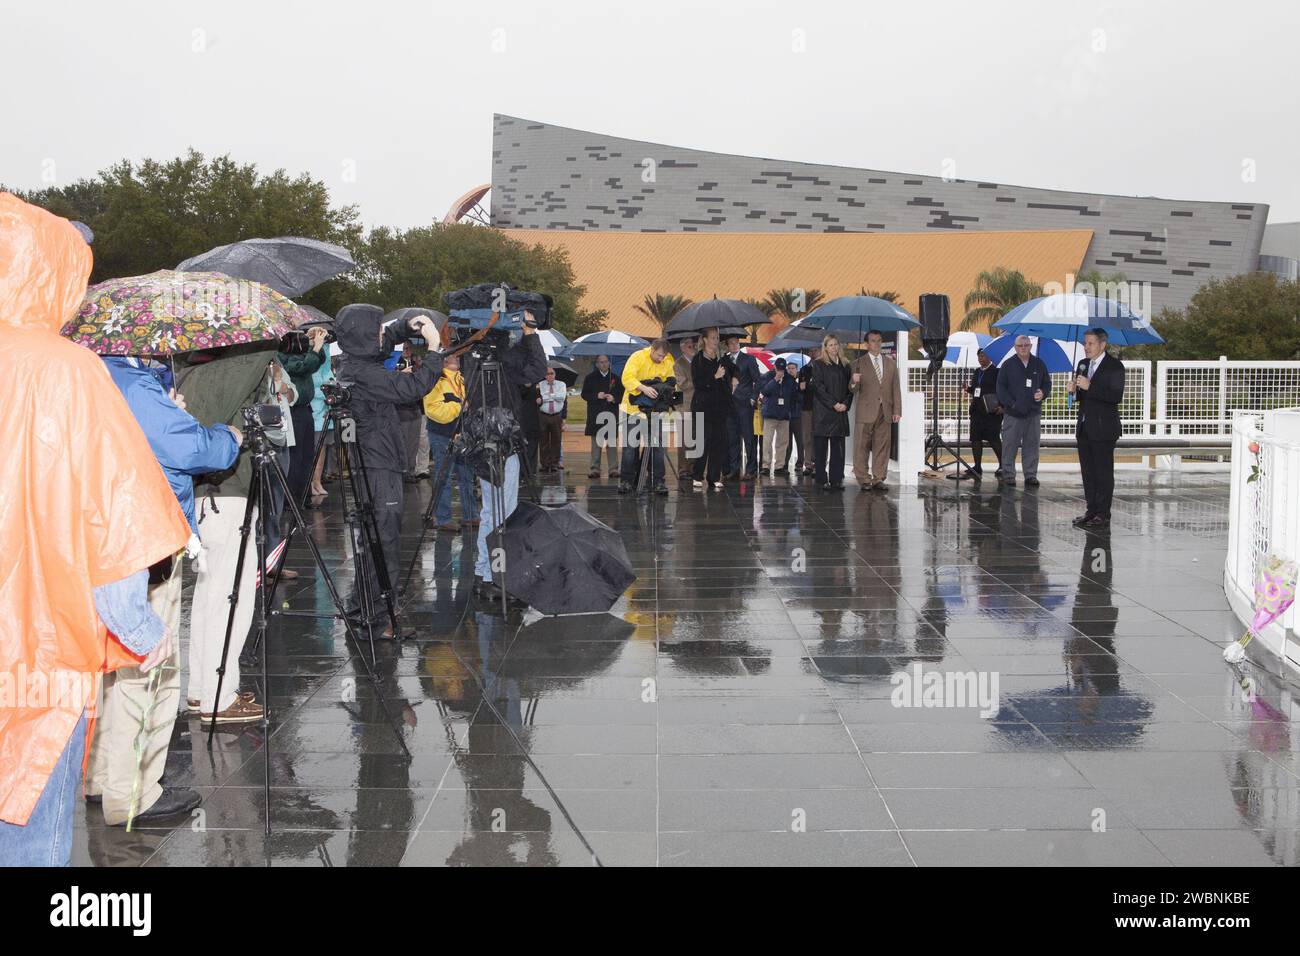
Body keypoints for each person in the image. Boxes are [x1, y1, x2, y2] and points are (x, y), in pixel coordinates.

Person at [0, 193, 191, 865]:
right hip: (34, 648)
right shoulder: (68, 372)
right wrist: (143, 631)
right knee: (26, 830)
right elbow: (113, 524)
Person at [89, 357, 241, 826]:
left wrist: (167, 407)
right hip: (144, 536)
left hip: (105, 534)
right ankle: (132, 792)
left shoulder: (97, 372)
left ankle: (103, 777)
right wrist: (227, 437)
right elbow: (194, 450)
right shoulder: (132, 382)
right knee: (150, 665)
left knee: (113, 668)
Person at [334, 304, 443, 637]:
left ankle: (361, 606)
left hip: (372, 459)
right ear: (364, 336)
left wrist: (404, 327)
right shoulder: (367, 374)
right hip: (379, 464)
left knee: (372, 540)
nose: (383, 335)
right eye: (378, 330)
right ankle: (381, 618)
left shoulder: (354, 362)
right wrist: (435, 349)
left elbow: (379, 346)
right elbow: (410, 389)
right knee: (384, 539)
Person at [461, 316, 547, 605]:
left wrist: (524, 339)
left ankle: (486, 571)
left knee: (492, 511)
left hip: (487, 440)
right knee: (500, 512)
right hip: (501, 443)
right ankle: (491, 575)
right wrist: (531, 334)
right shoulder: (504, 359)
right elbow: (536, 369)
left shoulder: (473, 357)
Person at [1069, 328, 1126, 528]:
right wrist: (1074, 392)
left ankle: (1103, 513)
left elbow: (1115, 397)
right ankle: (1091, 510)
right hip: (1084, 427)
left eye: (1091, 343)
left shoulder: (1115, 366)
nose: (1086, 347)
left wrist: (1089, 386)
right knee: (1088, 472)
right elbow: (1082, 398)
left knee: (1102, 472)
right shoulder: (1083, 365)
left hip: (1104, 428)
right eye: (1085, 343)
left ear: (1102, 345)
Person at [423, 351, 479, 534]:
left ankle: (470, 515)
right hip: (442, 434)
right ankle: (443, 518)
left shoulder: (462, 380)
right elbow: (433, 409)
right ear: (445, 359)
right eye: (454, 355)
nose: (457, 358)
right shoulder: (436, 380)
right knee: (443, 477)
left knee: (467, 475)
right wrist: (459, 406)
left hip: (462, 434)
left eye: (458, 356)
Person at [619, 338, 677, 495]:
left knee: (657, 447)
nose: (661, 359)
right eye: (658, 355)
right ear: (652, 349)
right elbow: (626, 378)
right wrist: (643, 388)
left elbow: (672, 384)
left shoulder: (667, 361)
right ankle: (626, 481)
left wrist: (666, 395)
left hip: (655, 412)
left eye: (663, 356)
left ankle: (658, 481)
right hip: (633, 410)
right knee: (631, 447)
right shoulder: (637, 357)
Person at [276, 327, 328, 503]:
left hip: (306, 409)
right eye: (299, 339)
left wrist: (315, 343)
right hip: (292, 411)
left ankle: (303, 495)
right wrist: (314, 348)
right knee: (295, 456)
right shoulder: (283, 358)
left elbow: (318, 361)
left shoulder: (300, 354)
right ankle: (291, 498)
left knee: (307, 455)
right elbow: (303, 367)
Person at [849, 329, 902, 490]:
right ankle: (864, 478)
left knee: (882, 446)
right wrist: (853, 381)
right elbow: (852, 390)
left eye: (879, 340)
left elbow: (895, 388)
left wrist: (897, 410)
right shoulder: (857, 363)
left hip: (885, 411)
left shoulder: (891, 364)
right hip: (865, 412)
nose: (877, 344)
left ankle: (879, 478)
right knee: (861, 447)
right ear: (867, 344)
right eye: (873, 341)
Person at [995, 335, 1051, 487]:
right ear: (1015, 347)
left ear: (1031, 346)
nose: (1023, 348)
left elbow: (1047, 383)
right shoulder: (1008, 365)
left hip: (1033, 413)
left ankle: (1031, 475)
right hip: (1013, 414)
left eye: (1026, 345)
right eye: (1020, 345)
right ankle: (1008, 475)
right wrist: (1011, 404)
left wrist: (1043, 393)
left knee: (1032, 445)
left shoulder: (1039, 364)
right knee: (1009, 445)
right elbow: (1001, 388)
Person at [808, 334, 853, 490]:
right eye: (831, 345)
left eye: (836, 344)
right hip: (824, 412)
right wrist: (833, 404)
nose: (834, 347)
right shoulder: (819, 364)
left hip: (840, 412)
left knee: (838, 450)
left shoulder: (846, 365)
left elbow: (850, 389)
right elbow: (819, 388)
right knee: (821, 450)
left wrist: (845, 404)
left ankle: (836, 479)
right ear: (825, 347)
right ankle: (821, 479)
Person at [691, 327, 732, 491]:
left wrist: (733, 378)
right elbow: (698, 383)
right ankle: (697, 475)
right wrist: (714, 376)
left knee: (718, 442)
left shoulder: (721, 359)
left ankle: (714, 476)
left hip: (719, 407)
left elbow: (735, 370)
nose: (716, 341)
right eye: (713, 338)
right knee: (703, 441)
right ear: (705, 340)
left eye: (717, 338)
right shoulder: (698, 360)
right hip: (703, 406)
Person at [724, 334, 763, 479]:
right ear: (727, 346)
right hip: (729, 405)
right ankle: (734, 469)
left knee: (748, 438)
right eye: (731, 343)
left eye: (736, 342)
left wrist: (753, 398)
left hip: (745, 404)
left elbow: (758, 381)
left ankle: (751, 470)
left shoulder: (748, 359)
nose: (734, 345)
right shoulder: (725, 361)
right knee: (732, 438)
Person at [581, 354, 623, 479]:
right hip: (595, 414)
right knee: (596, 443)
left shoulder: (615, 378)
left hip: (611, 413)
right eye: (600, 362)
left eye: (605, 362)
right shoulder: (590, 378)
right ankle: (595, 468)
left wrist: (614, 398)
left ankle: (613, 469)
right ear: (597, 364)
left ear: (609, 363)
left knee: (611, 443)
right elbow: (584, 395)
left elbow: (622, 395)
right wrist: (596, 396)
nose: (603, 364)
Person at [964, 348, 1003, 479]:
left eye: (984, 356)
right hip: (977, 411)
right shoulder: (977, 372)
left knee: (994, 439)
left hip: (991, 412)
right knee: (975, 439)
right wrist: (968, 389)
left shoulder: (996, 372)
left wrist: (1002, 406)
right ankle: (977, 466)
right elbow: (976, 390)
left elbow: (1003, 390)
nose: (981, 358)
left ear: (990, 358)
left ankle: (1003, 465)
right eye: (979, 356)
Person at [760, 357, 799, 478]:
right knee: (767, 441)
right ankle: (766, 465)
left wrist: (789, 410)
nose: (781, 371)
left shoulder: (790, 379)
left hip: (784, 415)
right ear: (775, 367)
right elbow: (764, 391)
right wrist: (775, 379)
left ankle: (779, 466)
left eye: (783, 369)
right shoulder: (768, 376)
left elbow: (794, 396)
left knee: (782, 442)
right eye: (779, 369)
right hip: (770, 414)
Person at [308, 348, 335, 499]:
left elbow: (329, 379)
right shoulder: (310, 358)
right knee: (313, 449)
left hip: (325, 411)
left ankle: (317, 481)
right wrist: (325, 392)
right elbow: (311, 387)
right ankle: (311, 482)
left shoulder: (326, 357)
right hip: (313, 410)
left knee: (322, 448)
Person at [673, 336, 698, 486]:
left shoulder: (697, 363)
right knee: (684, 441)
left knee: (695, 439)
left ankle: (694, 468)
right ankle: (683, 470)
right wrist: (699, 380)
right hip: (683, 406)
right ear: (682, 348)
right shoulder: (678, 364)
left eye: (694, 345)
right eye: (689, 346)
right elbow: (683, 384)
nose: (693, 348)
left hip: (697, 405)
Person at [537, 366, 567, 472]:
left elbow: (562, 397)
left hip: (556, 415)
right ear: (545, 375)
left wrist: (548, 396)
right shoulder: (540, 385)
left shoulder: (561, 384)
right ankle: (545, 463)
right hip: (543, 415)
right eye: (548, 373)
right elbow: (539, 399)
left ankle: (555, 463)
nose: (550, 375)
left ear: (555, 374)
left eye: (552, 373)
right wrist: (553, 396)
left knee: (556, 440)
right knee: (543, 441)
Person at [796, 346, 820, 476]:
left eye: (815, 350)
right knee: (807, 436)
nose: (813, 352)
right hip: (806, 407)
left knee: (818, 436)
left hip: (820, 407)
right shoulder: (804, 370)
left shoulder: (823, 367)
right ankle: (808, 464)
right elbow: (800, 390)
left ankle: (819, 463)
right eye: (811, 351)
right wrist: (801, 387)